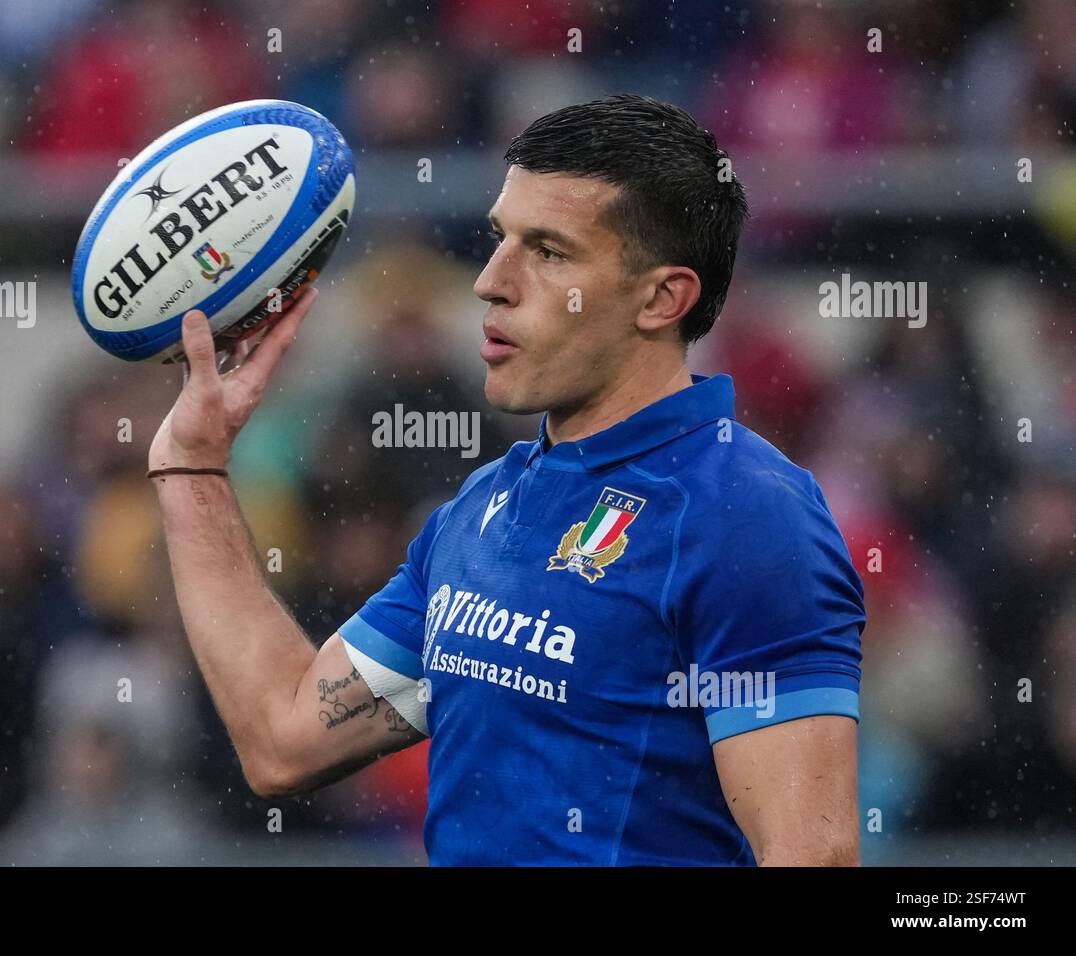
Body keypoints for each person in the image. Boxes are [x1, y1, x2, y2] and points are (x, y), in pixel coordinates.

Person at [147, 94, 865, 866]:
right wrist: (192, 464)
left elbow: (813, 854)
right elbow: (283, 737)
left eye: (549, 252)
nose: (490, 282)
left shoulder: (747, 515)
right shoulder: (481, 508)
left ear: (662, 298)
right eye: (500, 239)